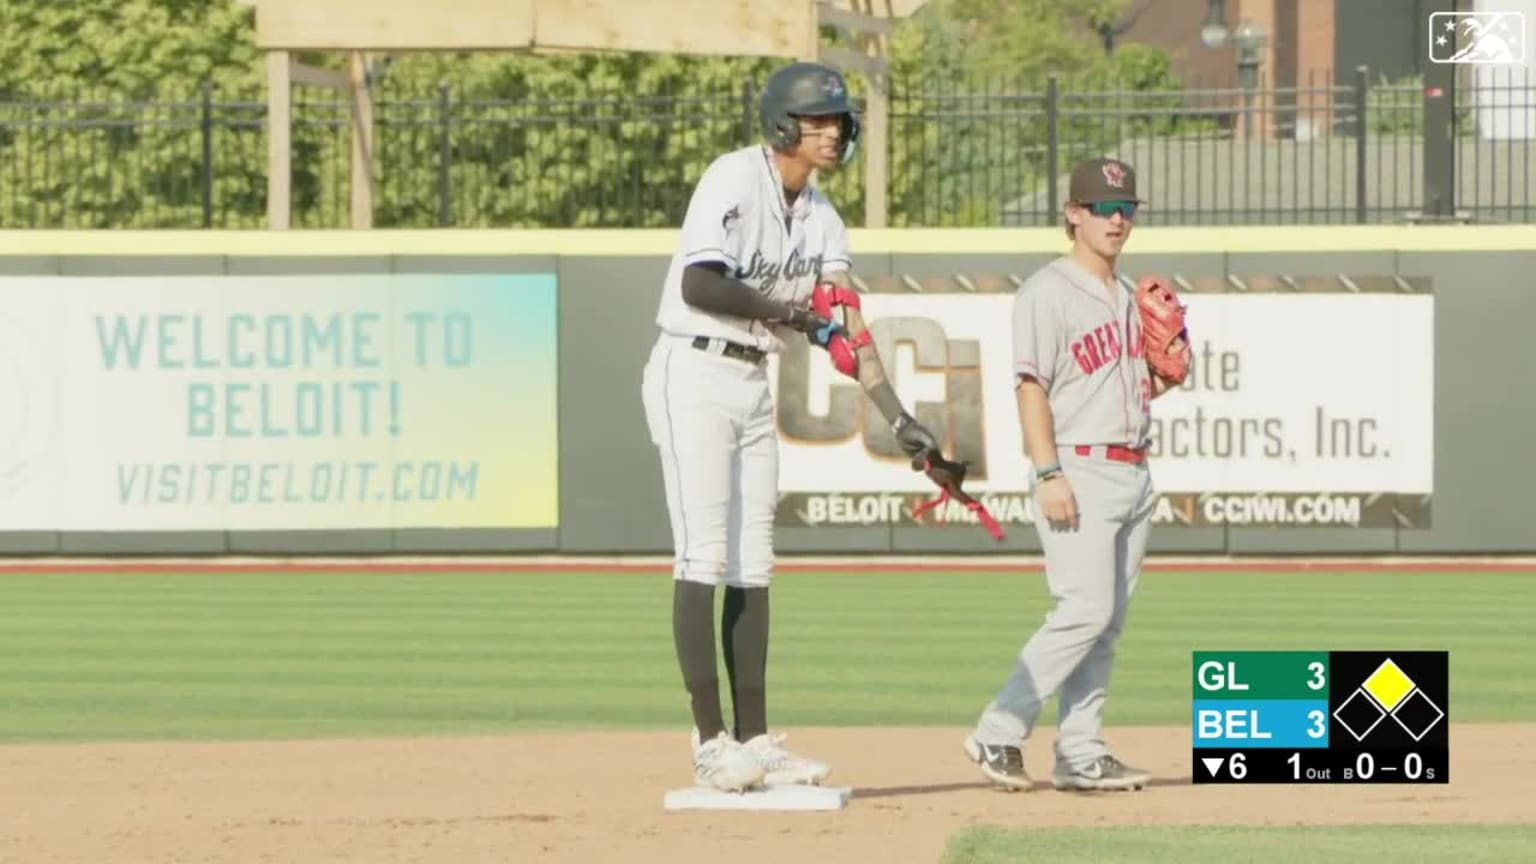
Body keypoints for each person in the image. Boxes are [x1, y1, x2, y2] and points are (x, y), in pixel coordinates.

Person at [640, 61, 942, 793]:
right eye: (819, 119)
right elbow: (698, 282)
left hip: (751, 378)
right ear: (783, 124)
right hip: (695, 370)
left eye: (838, 119)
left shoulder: (824, 218)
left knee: (755, 560)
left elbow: (845, 323)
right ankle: (711, 742)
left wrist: (899, 418)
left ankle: (754, 738)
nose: (833, 131)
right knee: (704, 555)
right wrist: (792, 313)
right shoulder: (732, 179)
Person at [960, 156, 1179, 793]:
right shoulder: (1046, 291)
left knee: (1107, 622)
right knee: (1084, 608)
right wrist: (1048, 471)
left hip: (1133, 467)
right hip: (1078, 467)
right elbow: (1032, 388)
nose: (1117, 219)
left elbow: (1127, 392)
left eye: (1126, 208)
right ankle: (999, 730)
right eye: (1104, 208)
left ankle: (1081, 751)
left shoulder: (1129, 296)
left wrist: (1159, 379)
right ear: (1073, 215)